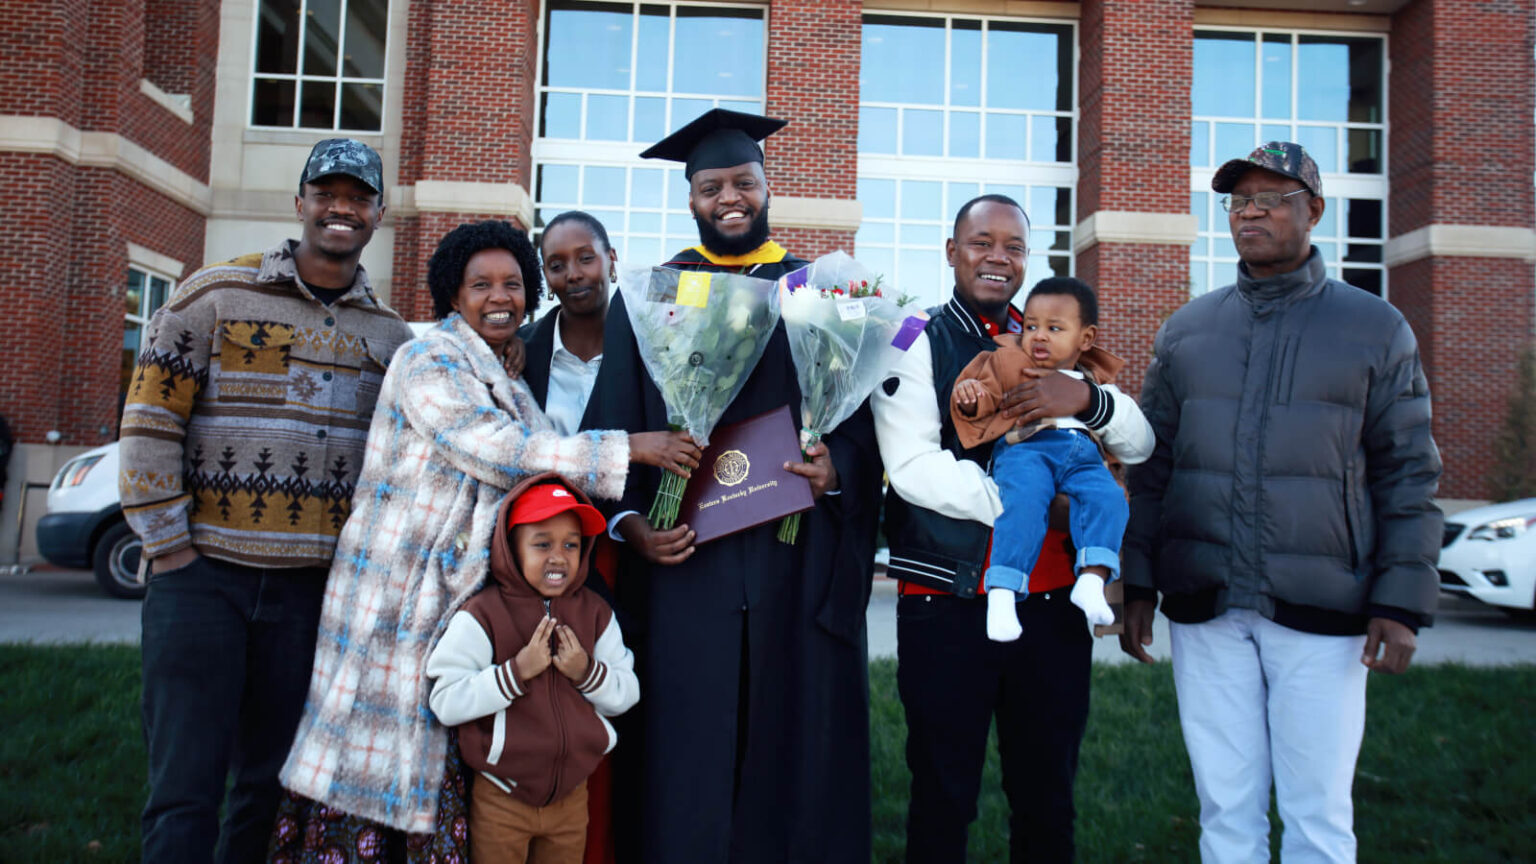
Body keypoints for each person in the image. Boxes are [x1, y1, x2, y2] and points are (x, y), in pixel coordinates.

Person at [269, 221, 698, 861]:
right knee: (375, 764)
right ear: (452, 293)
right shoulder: (427, 360)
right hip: (398, 591)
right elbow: (502, 451)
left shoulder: (505, 370)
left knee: (438, 748)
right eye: (481, 285)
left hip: (457, 597)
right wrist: (628, 447)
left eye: (513, 284)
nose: (500, 296)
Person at [1120, 142, 1443, 863]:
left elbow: (1408, 473)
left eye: (1272, 198)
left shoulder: (1375, 327)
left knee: (1318, 815)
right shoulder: (1188, 331)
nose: (1251, 212)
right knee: (1226, 809)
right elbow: (1153, 468)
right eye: (1238, 201)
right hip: (1205, 609)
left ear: (1315, 212)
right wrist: (1137, 580)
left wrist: (1400, 599)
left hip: (1321, 614)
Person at [583, 108, 884, 863]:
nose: (730, 198)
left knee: (793, 731)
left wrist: (836, 468)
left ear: (766, 186)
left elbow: (854, 423)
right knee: (685, 742)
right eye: (711, 185)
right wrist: (630, 528)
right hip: (684, 567)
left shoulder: (817, 295)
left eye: (743, 182)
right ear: (690, 198)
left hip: (793, 559)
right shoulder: (650, 298)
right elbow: (607, 432)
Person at [116, 138, 412, 864]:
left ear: (377, 212)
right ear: (301, 202)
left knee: (269, 786)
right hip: (202, 582)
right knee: (184, 788)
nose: (342, 207)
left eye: (359, 196)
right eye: (328, 193)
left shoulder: (392, 336)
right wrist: (172, 551)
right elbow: (150, 427)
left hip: (311, 597)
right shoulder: (213, 295)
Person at [871, 194, 1149, 863]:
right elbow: (908, 466)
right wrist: (1023, 499)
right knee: (942, 794)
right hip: (946, 600)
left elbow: (1138, 443)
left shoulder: (1052, 333)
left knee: (1047, 795)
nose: (998, 257)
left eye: (1015, 247)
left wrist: (1090, 398)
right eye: (981, 242)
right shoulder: (916, 335)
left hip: (1050, 603)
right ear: (951, 252)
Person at [426, 475, 639, 864]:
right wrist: (516, 672)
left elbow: (628, 692)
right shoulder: (484, 615)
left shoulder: (595, 614)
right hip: (501, 797)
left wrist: (586, 672)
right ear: (512, 548)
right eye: (542, 544)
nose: (558, 557)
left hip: (572, 797)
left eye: (571, 545)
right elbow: (444, 700)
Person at [950, 277, 1152, 642]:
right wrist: (971, 396)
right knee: (1023, 504)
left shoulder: (1094, 381)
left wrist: (1092, 401)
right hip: (1028, 449)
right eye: (1031, 326)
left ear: (1086, 338)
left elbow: (1136, 437)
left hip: (1083, 458)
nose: (1039, 336)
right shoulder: (1010, 362)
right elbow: (985, 395)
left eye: (1054, 328)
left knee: (1110, 499)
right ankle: (1003, 593)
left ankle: (1091, 579)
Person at [523, 211, 616, 437]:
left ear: (611, 260)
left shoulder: (647, 350)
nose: (573, 274)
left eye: (586, 258)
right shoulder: (518, 353)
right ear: (546, 276)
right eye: (556, 266)